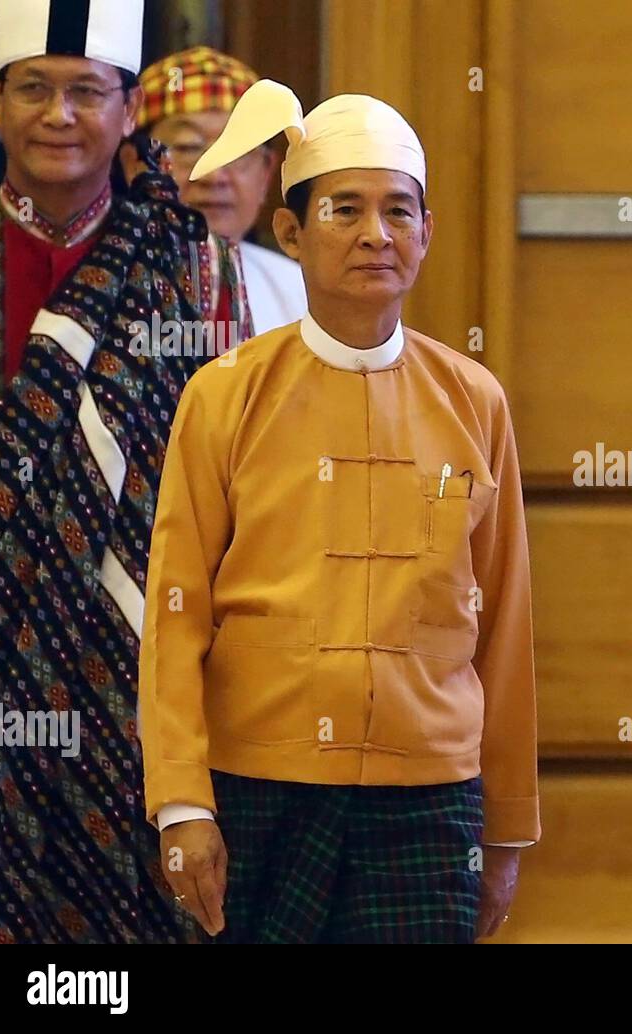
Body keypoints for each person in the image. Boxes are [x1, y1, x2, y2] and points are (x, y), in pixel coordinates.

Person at [138, 80, 539, 943]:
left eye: (399, 212)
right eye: (345, 209)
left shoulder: (474, 400)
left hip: (430, 803)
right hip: (258, 789)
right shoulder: (224, 395)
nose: (374, 235)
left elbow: (505, 625)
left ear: (426, 234)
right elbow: (174, 613)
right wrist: (180, 802)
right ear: (290, 230)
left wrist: (505, 826)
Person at [0, 0, 250, 943]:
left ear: (128, 111)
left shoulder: (199, 271)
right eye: (35, 90)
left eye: (86, 93)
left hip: (145, 671)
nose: (60, 115)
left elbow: (238, 476)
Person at [138, 46, 307, 332]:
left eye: (237, 152)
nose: (215, 175)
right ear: (135, 163)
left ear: (266, 174)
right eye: (189, 147)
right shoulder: (102, 283)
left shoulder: (299, 292)